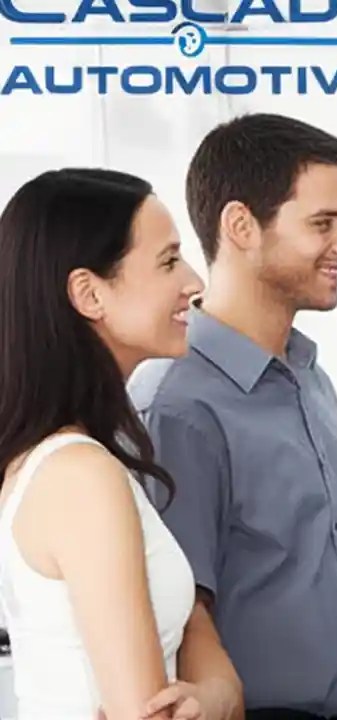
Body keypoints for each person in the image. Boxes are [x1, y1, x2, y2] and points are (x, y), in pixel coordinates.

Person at [127, 114, 337, 720]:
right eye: (323, 223)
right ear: (241, 226)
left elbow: (316, 579)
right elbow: (178, 620)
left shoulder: (308, 377)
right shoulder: (179, 405)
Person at [0, 168, 243, 719]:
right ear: (89, 294)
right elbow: (150, 712)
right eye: (167, 261)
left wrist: (217, 694)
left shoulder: (88, 458)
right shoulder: (80, 475)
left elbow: (203, 652)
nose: (194, 282)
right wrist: (218, 695)